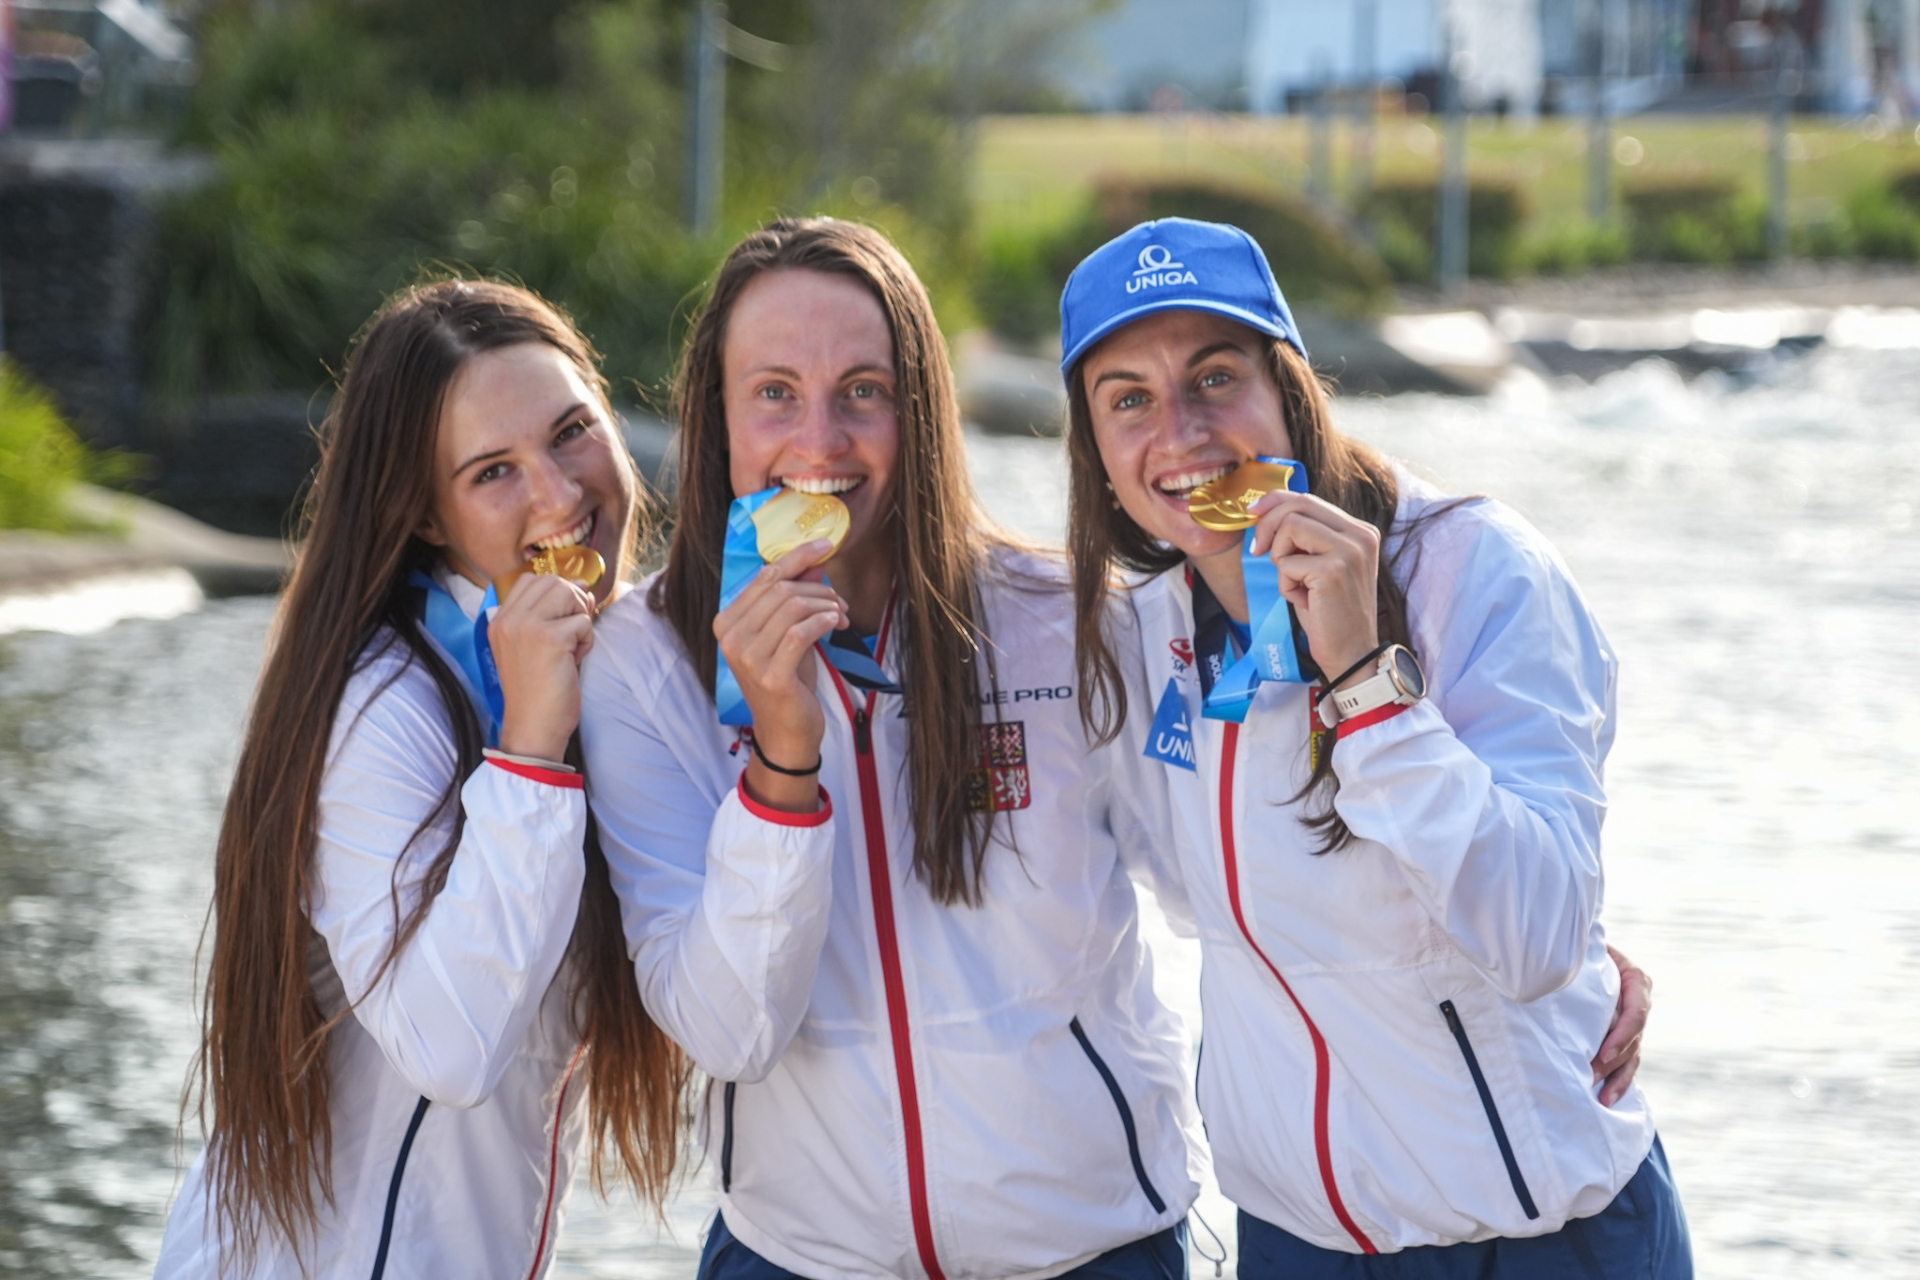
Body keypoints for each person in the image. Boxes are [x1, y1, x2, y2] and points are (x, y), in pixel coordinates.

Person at [1058, 217, 1689, 1278]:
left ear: (1291, 387)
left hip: (1535, 1240)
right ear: (1097, 452)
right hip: (1295, 1243)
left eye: (1216, 377)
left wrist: (1363, 681)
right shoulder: (1138, 640)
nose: (1182, 431)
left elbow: (1536, 935)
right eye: (1129, 398)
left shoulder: (1478, 569)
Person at [578, 218, 1207, 1280]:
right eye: (774, 392)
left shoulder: (1071, 617)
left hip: (1094, 1248)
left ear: (919, 413)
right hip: (798, 1256)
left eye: (862, 390)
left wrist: (1535, 981)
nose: (819, 442)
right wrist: (781, 761)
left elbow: (1231, 885)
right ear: (717, 417)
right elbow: (728, 1033)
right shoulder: (643, 662)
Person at [154, 280, 685, 1279]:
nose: (561, 495)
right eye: (494, 471)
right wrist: (528, 751)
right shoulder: (381, 708)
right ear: (427, 518)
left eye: (573, 430)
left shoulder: (620, 670)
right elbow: (450, 1046)